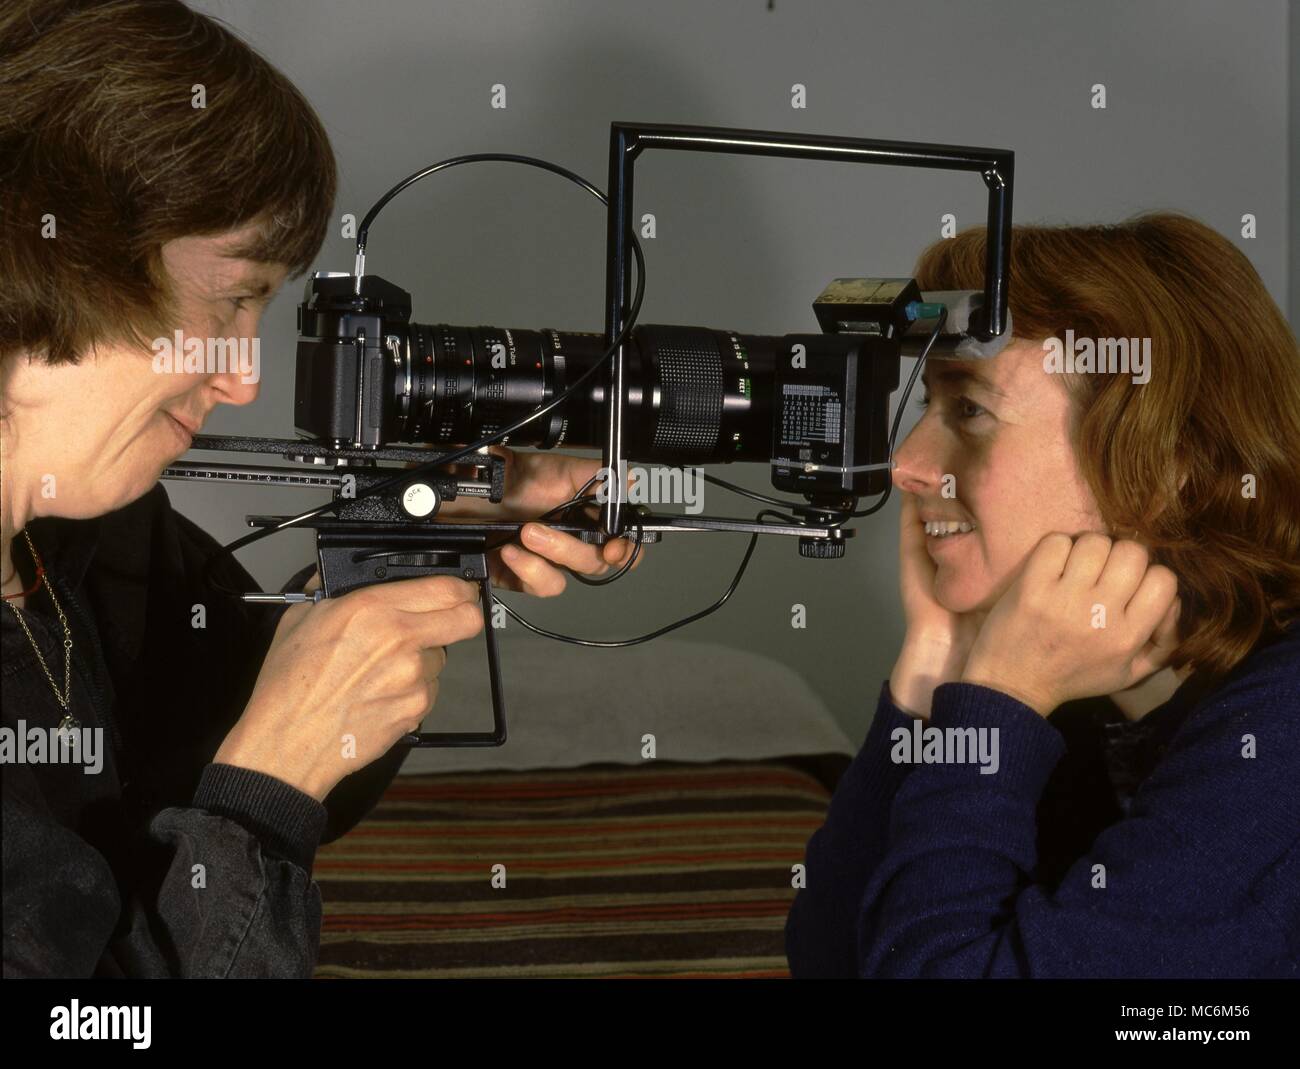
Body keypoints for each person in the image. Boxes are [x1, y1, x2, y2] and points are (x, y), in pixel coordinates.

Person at [0, 0, 636, 977]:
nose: (242, 379)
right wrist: (265, 790)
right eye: (225, 301)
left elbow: (224, 703)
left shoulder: (89, 533)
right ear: (47, 260)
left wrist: (434, 524)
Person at [786, 213, 1300, 978]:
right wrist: (937, 668)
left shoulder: (1279, 742)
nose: (907, 464)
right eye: (928, 405)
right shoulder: (1079, 706)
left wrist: (1000, 703)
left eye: (970, 410)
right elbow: (833, 961)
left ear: (1166, 466)